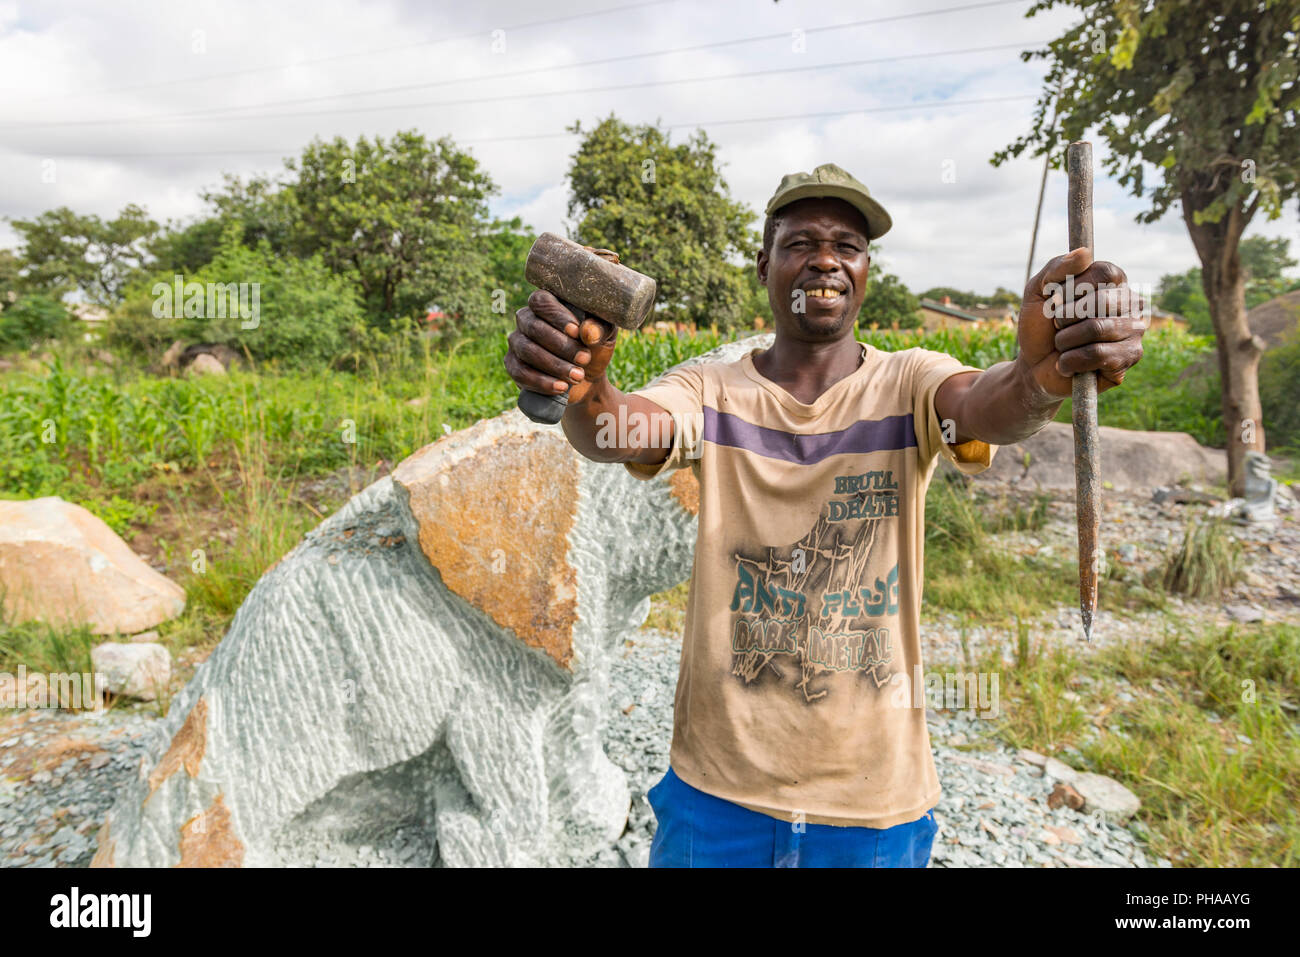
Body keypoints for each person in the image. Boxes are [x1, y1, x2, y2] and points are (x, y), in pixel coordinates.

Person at [503, 163, 1146, 867]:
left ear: (866, 270)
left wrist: (1041, 372)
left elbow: (995, 404)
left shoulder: (910, 382)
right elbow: (612, 431)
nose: (826, 259)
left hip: (872, 809)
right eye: (800, 241)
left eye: (848, 244)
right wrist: (583, 379)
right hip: (718, 797)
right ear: (764, 264)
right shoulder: (711, 391)